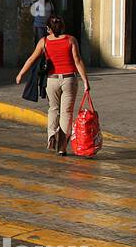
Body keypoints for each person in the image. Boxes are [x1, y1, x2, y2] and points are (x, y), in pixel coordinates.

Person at [14, 13, 91, 156]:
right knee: (66, 112)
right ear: (63, 27)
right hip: (69, 80)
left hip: (52, 80)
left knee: (53, 109)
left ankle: (51, 135)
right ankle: (62, 147)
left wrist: (20, 74)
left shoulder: (44, 41)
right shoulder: (71, 40)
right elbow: (78, 61)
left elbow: (31, 59)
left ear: (48, 28)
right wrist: (86, 81)